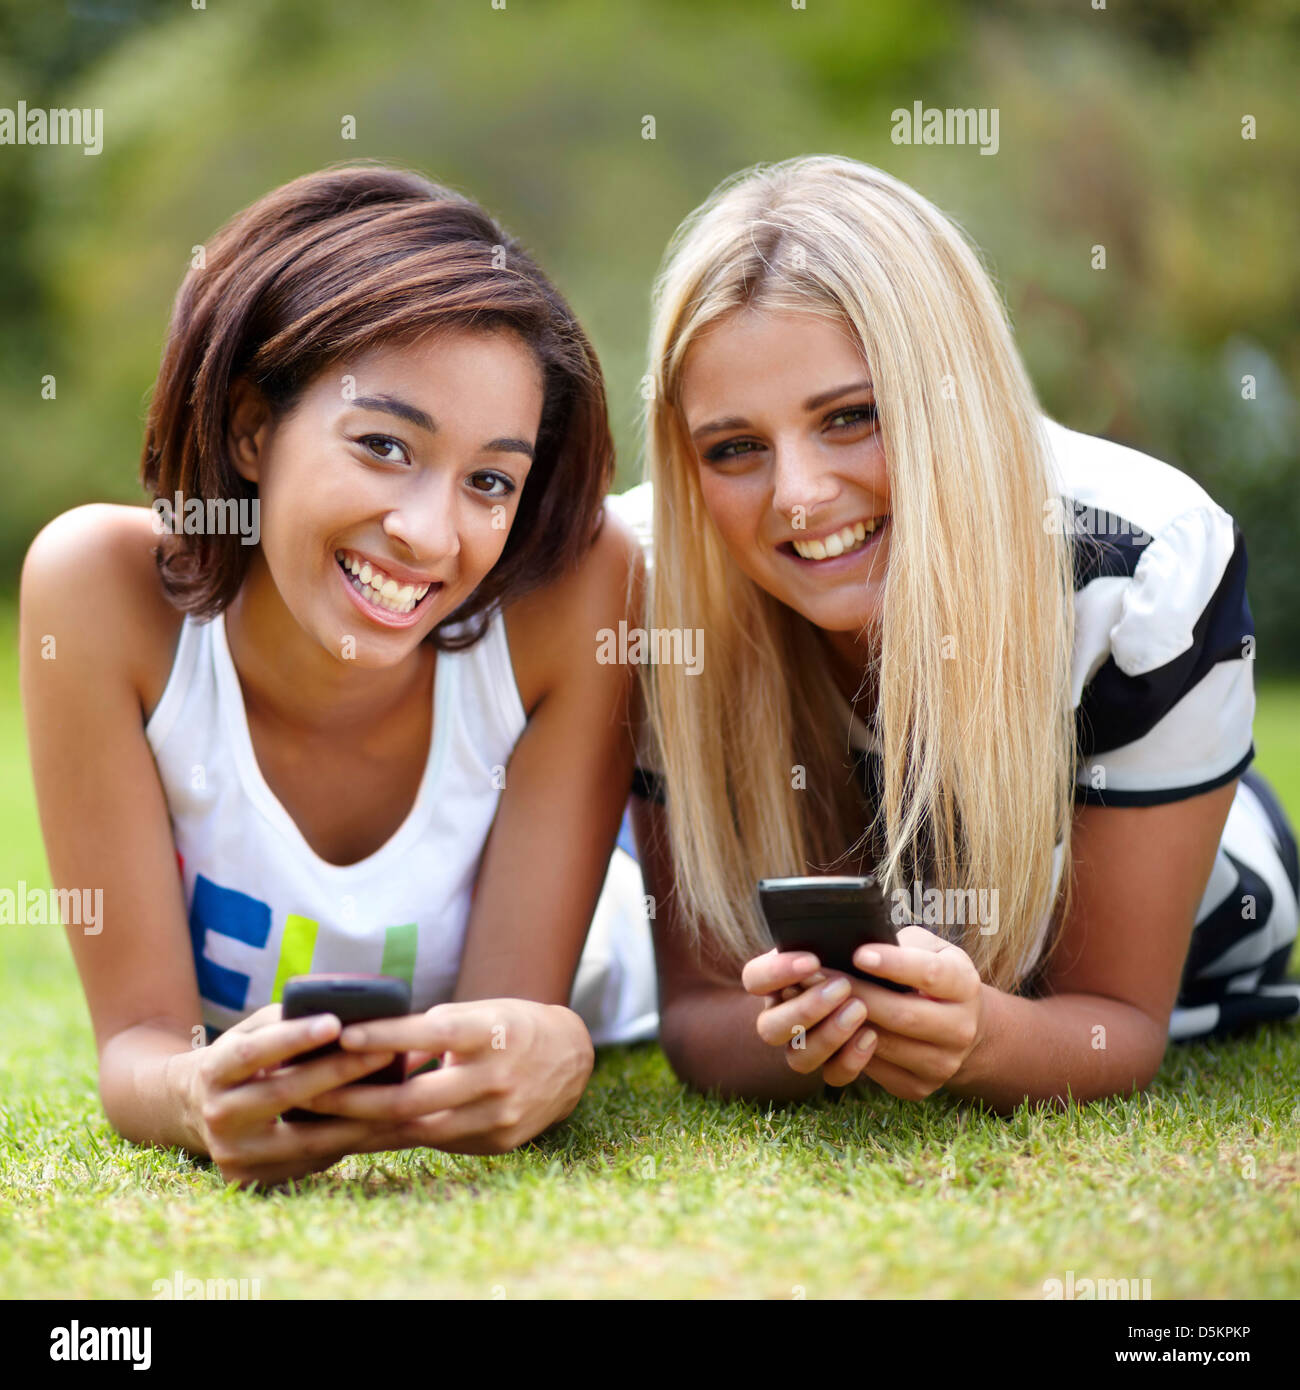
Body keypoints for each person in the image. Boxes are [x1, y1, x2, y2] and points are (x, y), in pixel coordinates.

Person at [611, 154, 1300, 1109]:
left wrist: (979, 1041)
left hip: (1196, 904)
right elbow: (699, 1012)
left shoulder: (1141, 562)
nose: (799, 497)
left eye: (852, 417)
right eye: (735, 448)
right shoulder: (647, 582)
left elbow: (1116, 1023)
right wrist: (819, 1032)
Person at [20, 163, 656, 1188]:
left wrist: (560, 1046)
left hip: (618, 914)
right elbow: (138, 1045)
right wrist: (194, 1095)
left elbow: (502, 1025)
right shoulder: (100, 593)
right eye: (384, 445)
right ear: (251, 428)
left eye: (490, 479)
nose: (429, 534)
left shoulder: (577, 592)